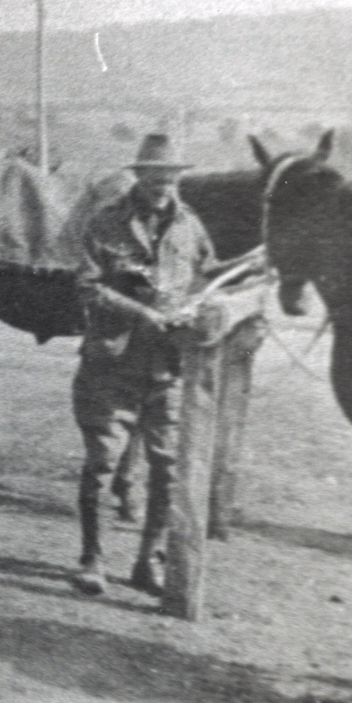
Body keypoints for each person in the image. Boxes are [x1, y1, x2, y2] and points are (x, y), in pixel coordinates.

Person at [70, 132, 219, 598]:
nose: (163, 186)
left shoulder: (190, 226)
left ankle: (147, 561)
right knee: (102, 464)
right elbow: (87, 286)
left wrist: (203, 302)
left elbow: (207, 276)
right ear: (139, 176)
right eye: (155, 177)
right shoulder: (105, 223)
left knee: (167, 470)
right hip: (111, 366)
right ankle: (93, 559)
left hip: (167, 371)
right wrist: (142, 314)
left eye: (171, 178)